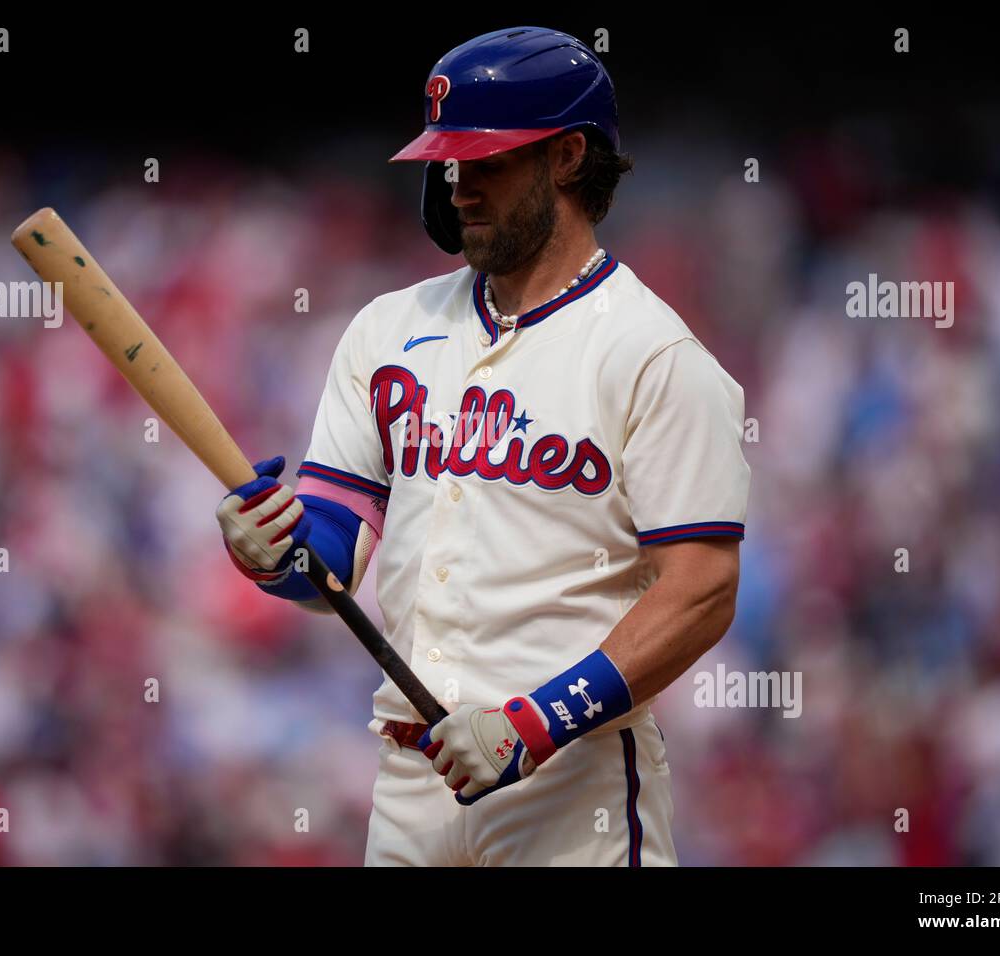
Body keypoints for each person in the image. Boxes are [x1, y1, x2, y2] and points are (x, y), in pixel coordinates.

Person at [216, 26, 750, 866]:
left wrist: (534, 724)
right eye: (448, 163)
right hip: (407, 785)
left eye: (485, 161)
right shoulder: (387, 330)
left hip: (571, 791)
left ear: (569, 157)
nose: (458, 185)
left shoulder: (652, 355)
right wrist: (273, 552)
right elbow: (333, 559)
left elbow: (703, 590)